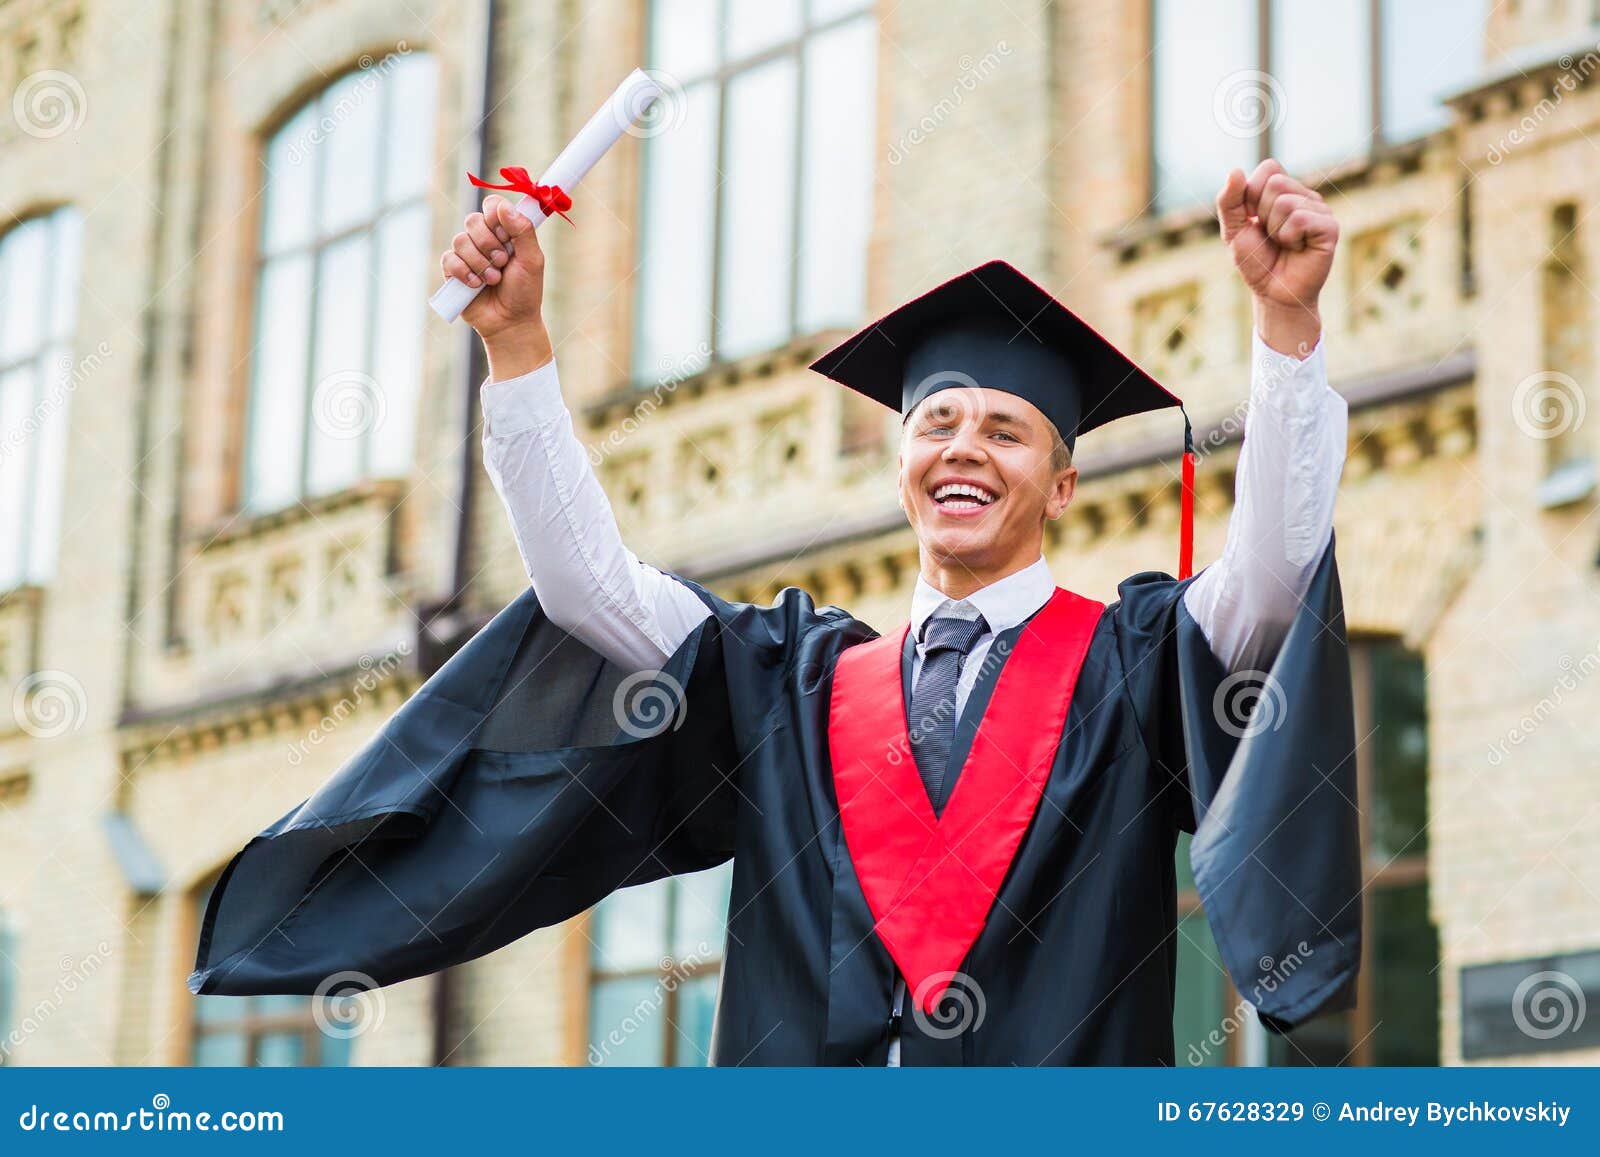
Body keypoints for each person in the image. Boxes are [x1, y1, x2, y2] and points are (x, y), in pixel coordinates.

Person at [191, 159, 1361, 1066]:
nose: (963, 448)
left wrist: (1285, 334)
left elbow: (1270, 567)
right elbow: (585, 582)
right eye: (936, 422)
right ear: (900, 460)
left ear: (1061, 484)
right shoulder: (790, 683)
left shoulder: (1131, 663)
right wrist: (519, 346)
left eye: (1005, 431)